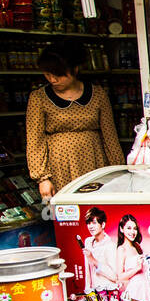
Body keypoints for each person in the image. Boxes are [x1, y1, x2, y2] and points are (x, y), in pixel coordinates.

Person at [26, 43, 125, 199]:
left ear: (75, 69)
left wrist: (118, 170)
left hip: (94, 160)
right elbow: (35, 140)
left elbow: (110, 135)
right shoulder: (38, 98)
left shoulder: (98, 94)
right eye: (47, 74)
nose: (52, 79)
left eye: (58, 74)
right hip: (59, 166)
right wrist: (43, 178)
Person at [115, 214, 150, 301]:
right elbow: (120, 276)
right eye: (129, 228)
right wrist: (137, 268)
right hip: (135, 290)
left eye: (135, 228)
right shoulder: (121, 249)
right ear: (122, 229)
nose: (133, 232)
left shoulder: (137, 247)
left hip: (145, 289)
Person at [82, 207, 117, 292]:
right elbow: (88, 271)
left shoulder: (110, 246)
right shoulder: (88, 242)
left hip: (107, 292)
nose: (90, 226)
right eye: (89, 223)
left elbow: (114, 276)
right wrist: (87, 290)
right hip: (92, 293)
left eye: (94, 223)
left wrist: (94, 260)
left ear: (103, 224)